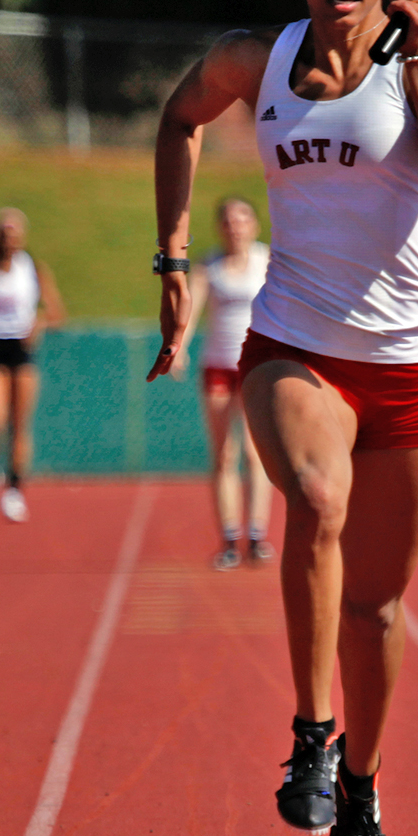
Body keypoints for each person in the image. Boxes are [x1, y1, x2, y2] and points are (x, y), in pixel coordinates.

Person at [145, 0, 418, 836]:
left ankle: (366, 783)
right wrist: (170, 263)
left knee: (376, 609)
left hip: (412, 367)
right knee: (317, 499)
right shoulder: (260, 61)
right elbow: (178, 118)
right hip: (295, 344)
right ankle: (312, 735)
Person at [172, 196, 274, 570]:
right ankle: (230, 539)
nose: (236, 226)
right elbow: (192, 308)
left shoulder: (268, 259)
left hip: (256, 366)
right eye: (228, 220)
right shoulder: (209, 266)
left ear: (255, 225)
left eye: (242, 219)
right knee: (224, 454)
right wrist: (179, 346)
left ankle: (257, 536)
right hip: (217, 366)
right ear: (220, 227)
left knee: (253, 452)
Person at [0, 208, 65, 522]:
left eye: (15, 235)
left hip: (21, 350)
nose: (10, 241)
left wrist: (39, 324)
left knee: (19, 425)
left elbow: (57, 312)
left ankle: (15, 490)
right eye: (5, 234)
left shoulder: (33, 269)